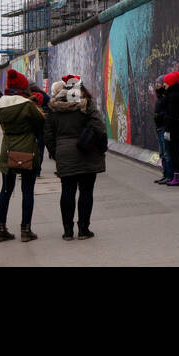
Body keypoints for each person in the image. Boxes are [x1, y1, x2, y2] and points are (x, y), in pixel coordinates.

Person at [43, 75, 108, 240]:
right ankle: (84, 229)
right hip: (87, 151)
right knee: (86, 191)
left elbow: (48, 134)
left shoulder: (53, 107)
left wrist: (56, 152)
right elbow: (99, 128)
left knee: (67, 191)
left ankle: (67, 231)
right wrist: (101, 148)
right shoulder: (86, 104)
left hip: (64, 154)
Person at [0, 69, 45, 243]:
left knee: (6, 190)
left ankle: (0, 229)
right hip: (27, 150)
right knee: (27, 191)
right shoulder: (28, 105)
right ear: (23, 87)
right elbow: (41, 123)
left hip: (7, 151)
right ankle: (26, 230)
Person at [159, 71, 179, 186]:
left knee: (174, 153)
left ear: (170, 83)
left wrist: (167, 130)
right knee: (176, 151)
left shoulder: (172, 96)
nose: (164, 85)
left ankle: (178, 176)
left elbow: (170, 115)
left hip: (173, 128)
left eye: (166, 83)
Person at [152, 78, 171, 184]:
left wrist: (159, 116)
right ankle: (165, 174)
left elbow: (168, 112)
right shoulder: (161, 97)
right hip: (160, 127)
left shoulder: (165, 98)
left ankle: (169, 175)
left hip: (163, 127)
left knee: (166, 152)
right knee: (163, 153)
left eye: (159, 84)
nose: (157, 86)